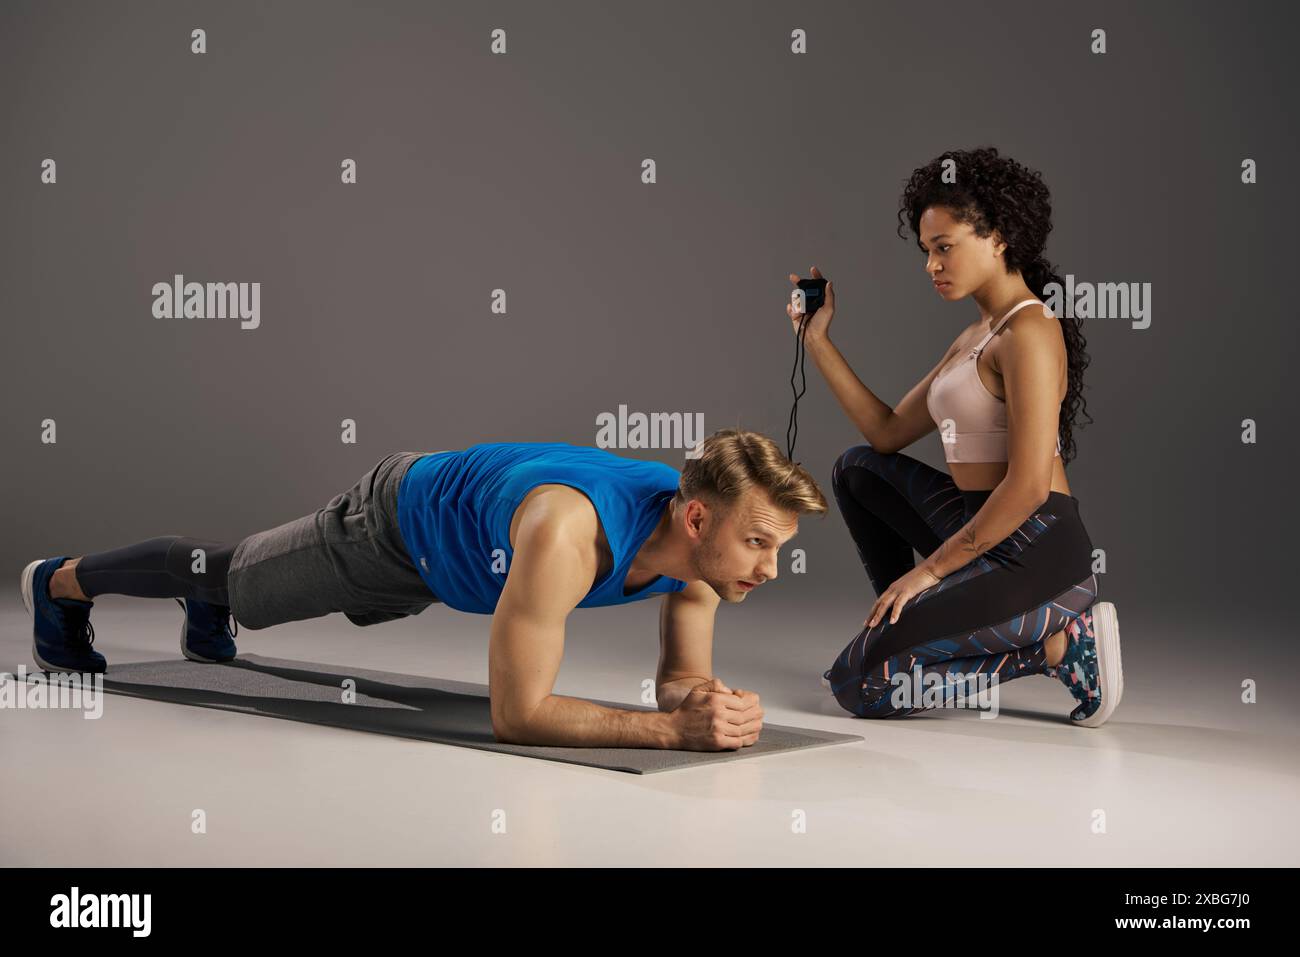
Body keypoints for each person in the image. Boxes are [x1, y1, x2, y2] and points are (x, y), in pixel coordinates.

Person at [20, 430, 828, 751]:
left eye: (779, 548)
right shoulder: (565, 533)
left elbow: (681, 680)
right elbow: (517, 713)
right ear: (695, 517)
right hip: (395, 530)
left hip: (466, 563)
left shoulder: (703, 563)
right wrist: (669, 735)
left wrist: (704, 704)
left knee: (236, 590)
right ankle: (59, 581)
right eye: (759, 543)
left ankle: (213, 607)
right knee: (224, 570)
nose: (768, 566)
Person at [792, 146, 1123, 727]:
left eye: (944, 247)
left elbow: (1025, 489)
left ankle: (1058, 646)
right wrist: (817, 340)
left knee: (860, 687)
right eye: (926, 251)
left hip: (1037, 549)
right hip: (981, 529)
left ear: (997, 237)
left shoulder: (1030, 331)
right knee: (859, 468)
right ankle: (894, 619)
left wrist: (927, 572)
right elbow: (887, 433)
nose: (931, 265)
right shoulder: (977, 332)